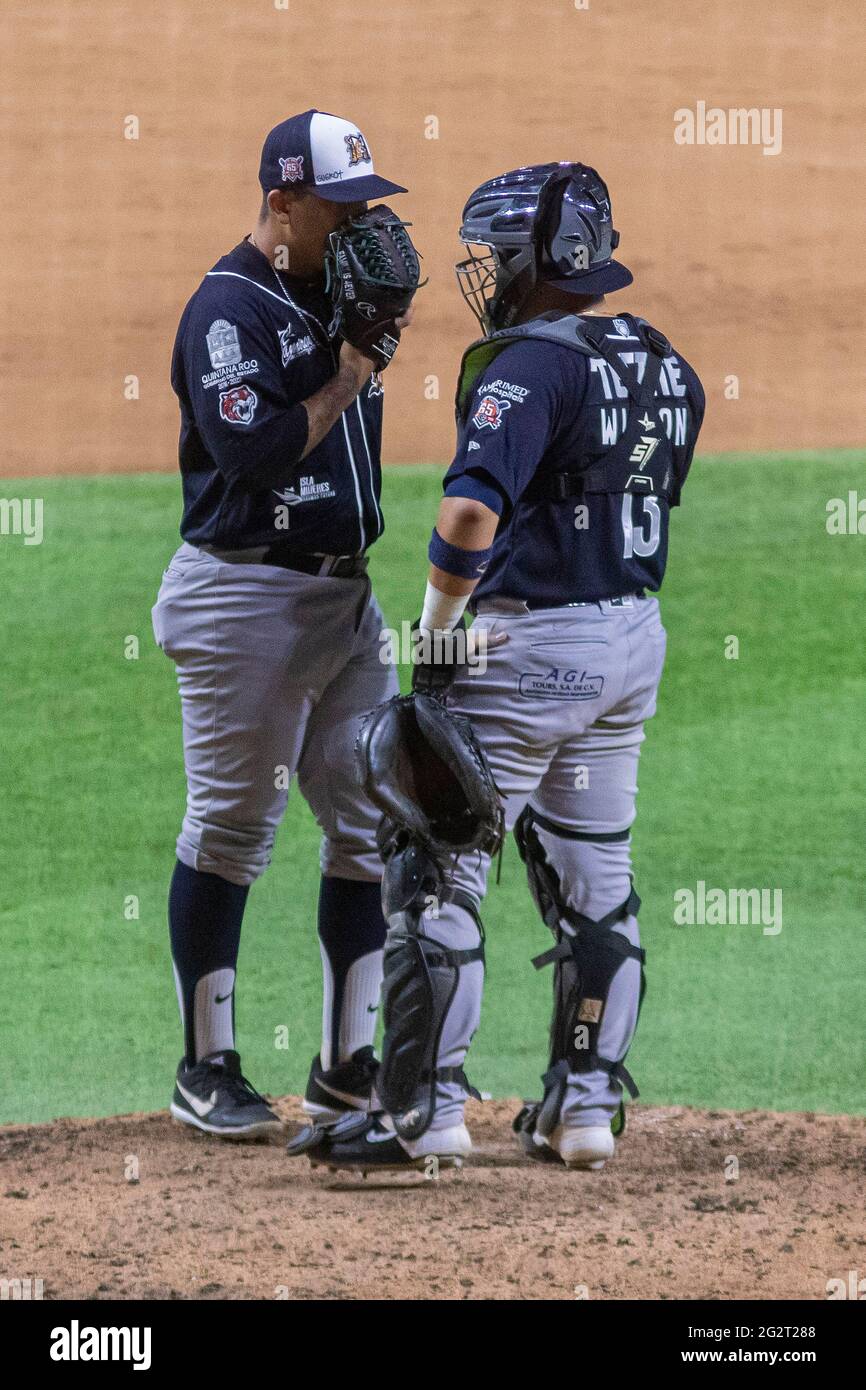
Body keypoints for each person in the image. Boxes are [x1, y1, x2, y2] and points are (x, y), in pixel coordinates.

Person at [304, 161, 705, 1173]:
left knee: (436, 876)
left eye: (492, 252)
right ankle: (580, 1112)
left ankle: (423, 1116)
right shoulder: (662, 360)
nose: (483, 271)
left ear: (537, 255)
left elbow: (470, 514)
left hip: (528, 648)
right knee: (595, 880)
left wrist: (435, 635)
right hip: (629, 643)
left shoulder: (526, 361)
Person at [152, 109, 411, 1138]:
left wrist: (354, 349)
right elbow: (253, 453)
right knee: (230, 828)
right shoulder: (226, 311)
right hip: (243, 597)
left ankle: (348, 1062)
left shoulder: (335, 296)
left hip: (343, 599)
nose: (357, 228)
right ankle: (205, 1065)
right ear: (280, 202)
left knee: (369, 820)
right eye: (339, 209)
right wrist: (349, 371)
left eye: (366, 207)